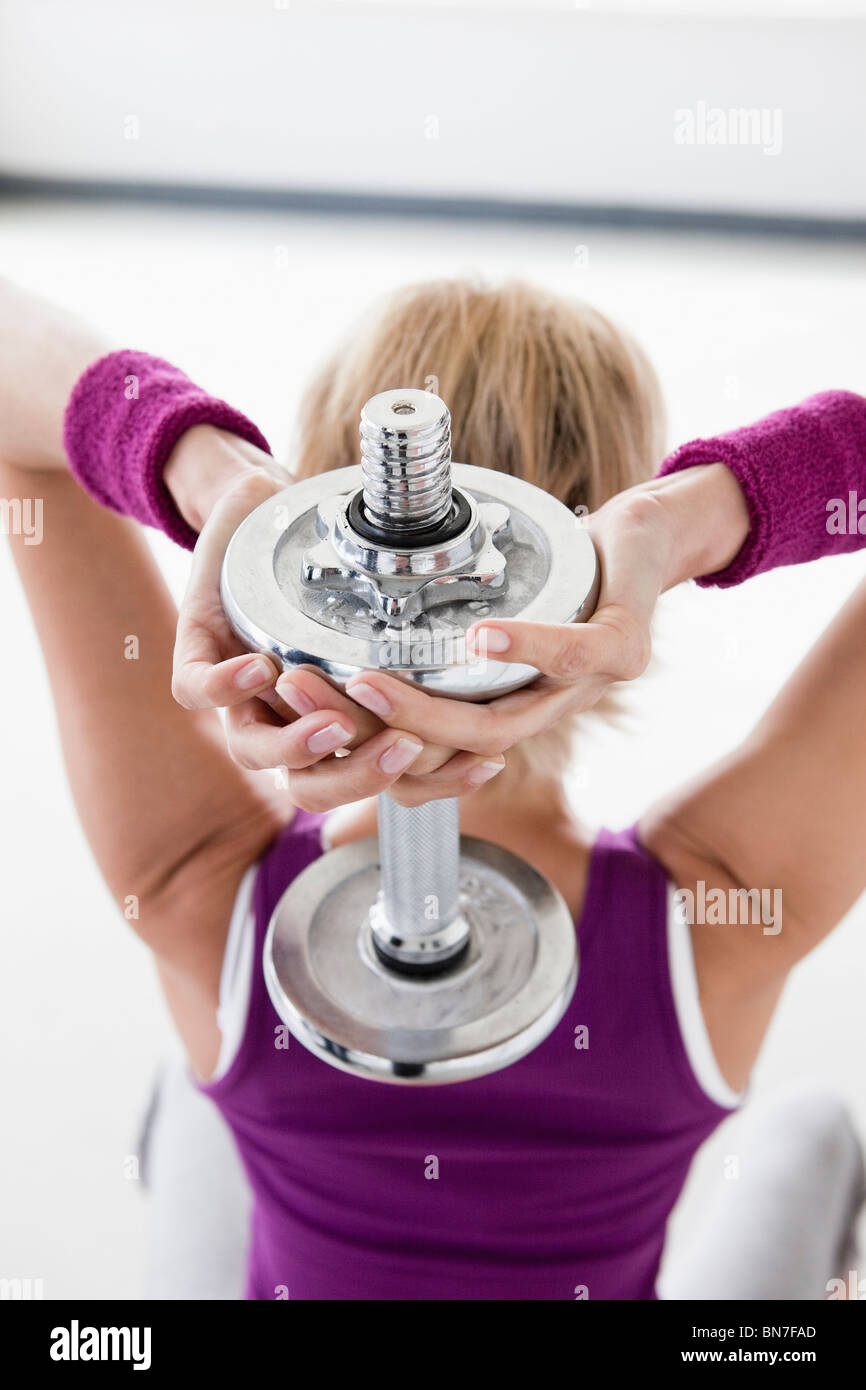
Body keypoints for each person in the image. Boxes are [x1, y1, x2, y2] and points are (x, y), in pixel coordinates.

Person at [3, 274, 865, 1299]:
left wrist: (195, 462)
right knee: (811, 1126)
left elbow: (24, 424)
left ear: (309, 526)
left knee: (192, 1095)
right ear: (613, 579)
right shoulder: (723, 912)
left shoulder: (199, 887)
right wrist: (697, 513)